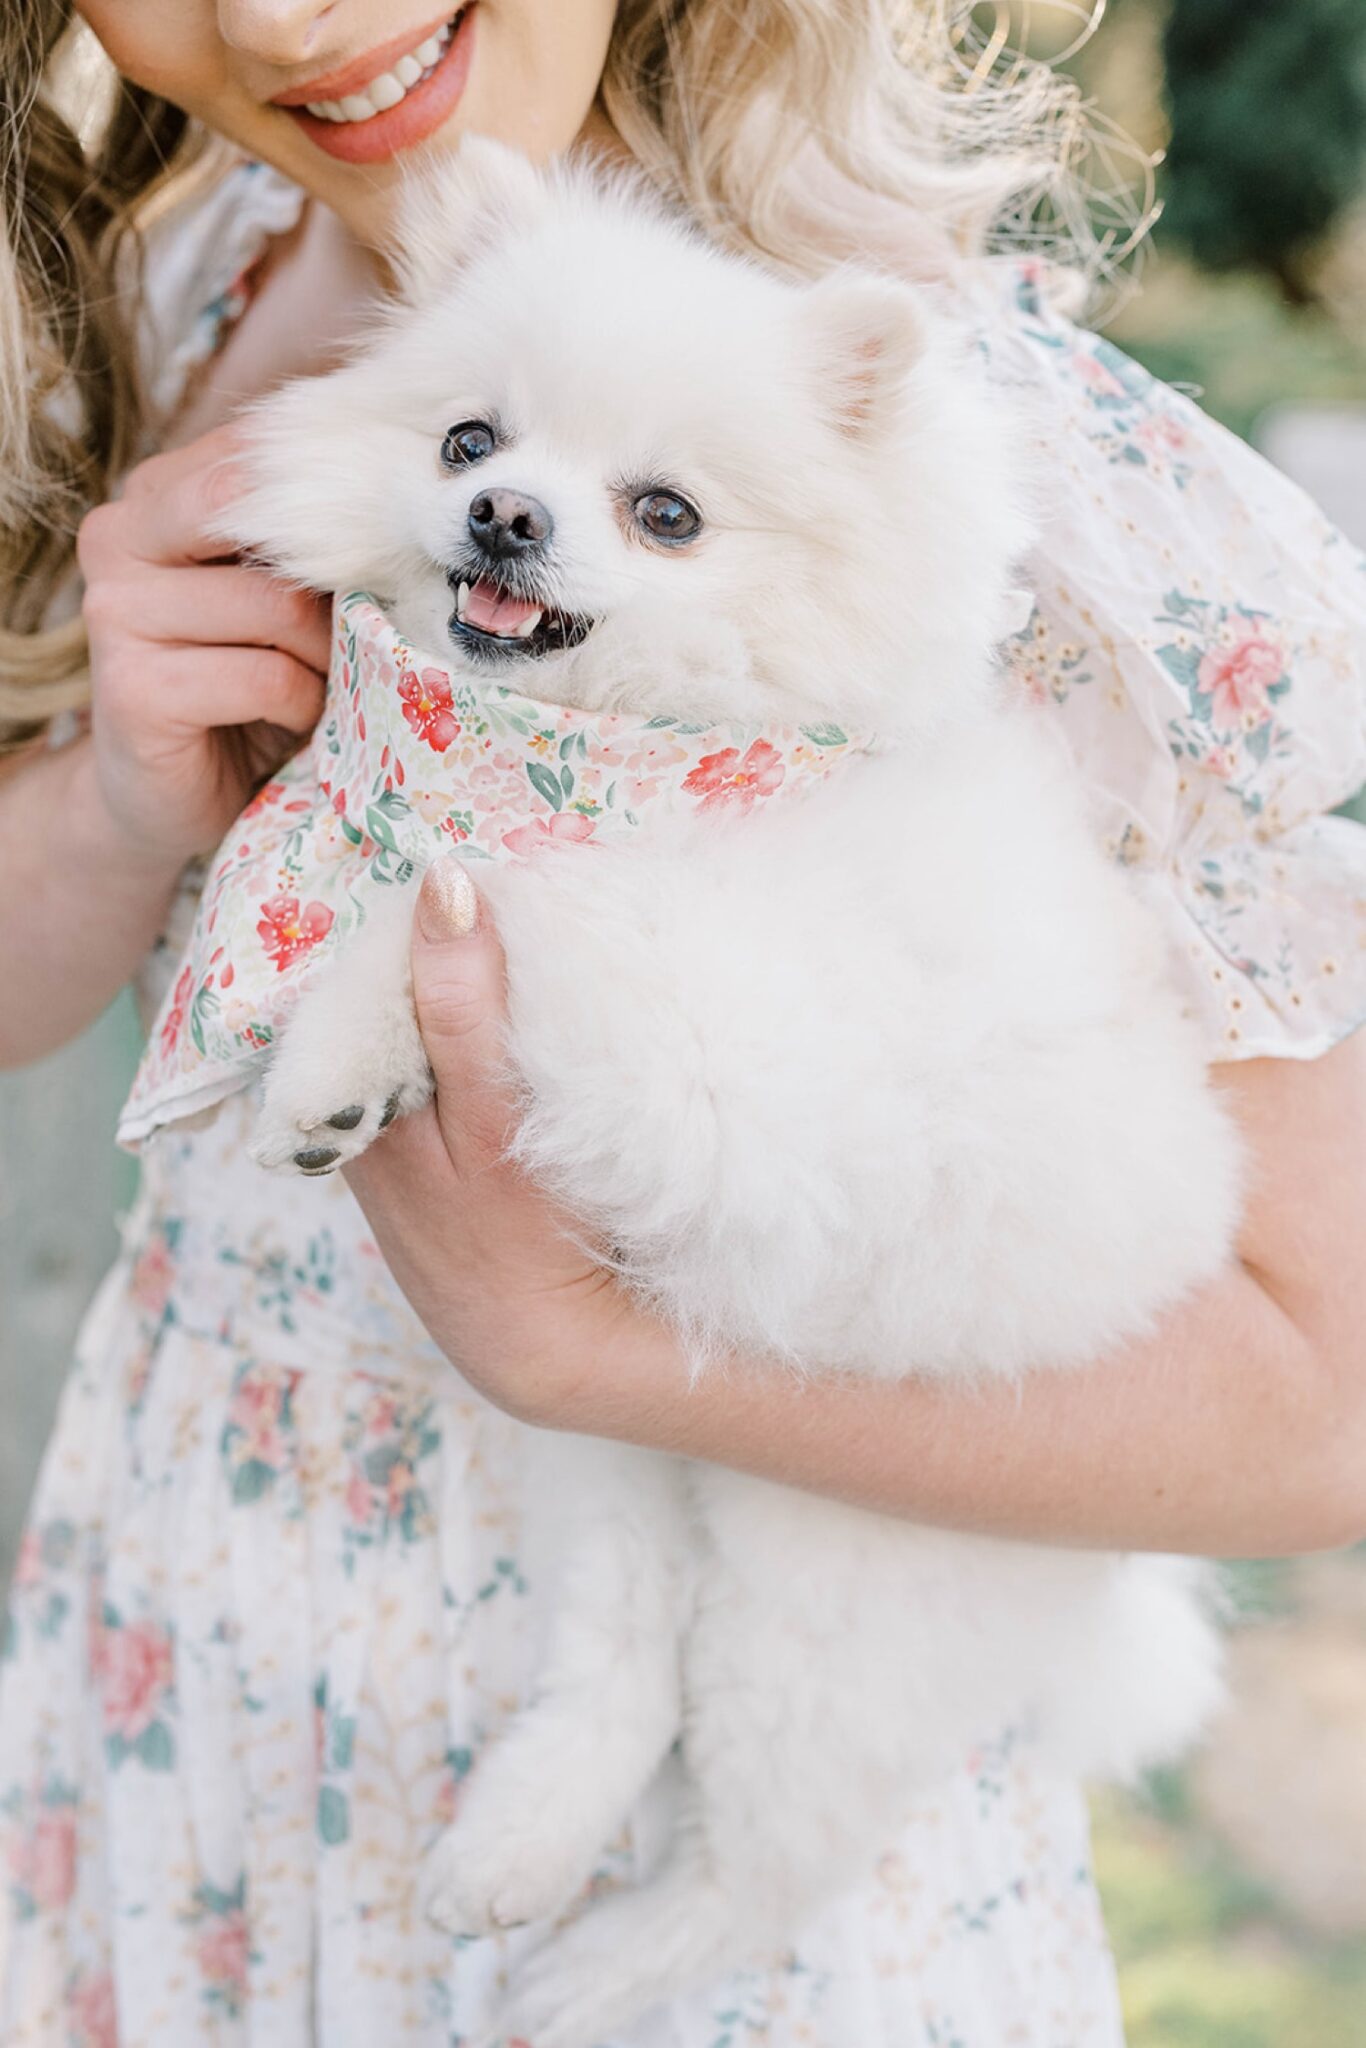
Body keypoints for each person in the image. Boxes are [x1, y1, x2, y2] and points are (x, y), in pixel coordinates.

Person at [2, 4, 1364, 2043]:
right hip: (206, 1643)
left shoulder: (1012, 491)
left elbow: (1324, 1401)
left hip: (742, 1757)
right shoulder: (196, 289)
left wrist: (592, 1352)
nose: (291, 14)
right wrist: (121, 804)